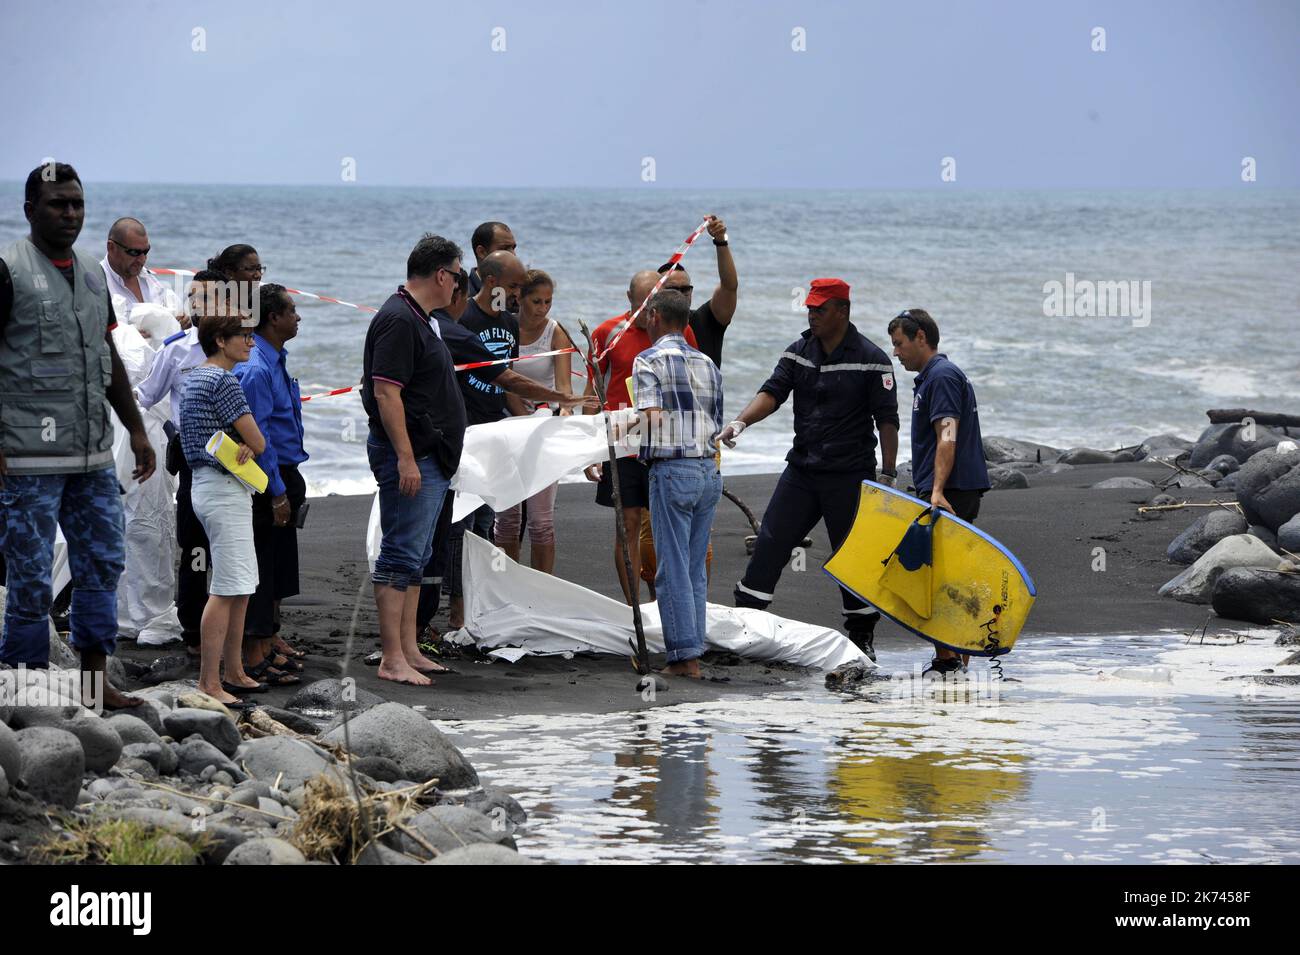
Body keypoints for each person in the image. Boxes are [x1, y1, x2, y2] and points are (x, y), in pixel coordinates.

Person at [0, 162, 155, 710]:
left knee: (102, 564)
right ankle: (22, 691)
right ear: (30, 211)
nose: (69, 213)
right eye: (57, 204)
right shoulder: (7, 270)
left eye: (77, 204)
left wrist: (136, 429)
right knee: (30, 576)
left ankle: (94, 688)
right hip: (25, 459)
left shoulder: (92, 272)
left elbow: (107, 355)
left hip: (91, 456)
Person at [720, 278, 899, 660]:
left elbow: (887, 419)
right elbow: (772, 393)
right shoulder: (798, 352)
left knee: (851, 558)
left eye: (820, 309)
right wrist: (740, 422)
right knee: (771, 541)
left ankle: (861, 636)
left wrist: (887, 474)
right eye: (810, 308)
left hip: (851, 475)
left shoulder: (873, 359)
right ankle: (746, 623)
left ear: (842, 311)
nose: (812, 315)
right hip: (802, 470)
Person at [361, 234, 464, 687]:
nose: (459, 288)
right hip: (412, 455)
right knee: (399, 555)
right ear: (441, 275)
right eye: (458, 278)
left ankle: (407, 648)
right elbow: (386, 392)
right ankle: (391, 657)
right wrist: (405, 457)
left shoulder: (421, 318)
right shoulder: (399, 319)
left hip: (430, 454)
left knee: (418, 556)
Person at [584, 270, 699, 605]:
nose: (650, 308)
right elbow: (593, 390)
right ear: (630, 298)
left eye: (655, 300)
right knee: (628, 525)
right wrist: (591, 449)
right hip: (622, 445)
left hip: (665, 444)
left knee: (668, 526)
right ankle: (634, 609)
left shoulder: (681, 331)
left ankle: (668, 602)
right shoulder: (607, 332)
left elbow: (692, 384)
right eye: (644, 301)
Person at [887, 308, 991, 677]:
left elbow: (948, 434)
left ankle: (951, 660)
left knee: (939, 577)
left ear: (920, 338)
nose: (896, 353)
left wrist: (937, 490)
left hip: (951, 489)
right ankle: (953, 658)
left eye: (899, 344)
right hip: (945, 487)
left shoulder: (942, 376)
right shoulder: (933, 377)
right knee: (942, 574)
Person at [136, 268, 229, 654]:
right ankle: (193, 627)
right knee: (194, 549)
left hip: (238, 464)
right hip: (194, 462)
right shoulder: (175, 349)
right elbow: (145, 395)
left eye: (205, 298)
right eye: (192, 299)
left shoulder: (242, 344)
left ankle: (240, 631)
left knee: (235, 549)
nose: (196, 306)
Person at [632, 290, 724, 678]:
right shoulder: (707, 362)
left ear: (653, 316)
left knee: (670, 568)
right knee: (693, 567)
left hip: (673, 469)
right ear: (685, 321)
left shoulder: (647, 360)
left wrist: (618, 425)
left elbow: (651, 418)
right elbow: (716, 423)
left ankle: (683, 657)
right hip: (708, 469)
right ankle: (692, 649)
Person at [179, 311, 267, 707]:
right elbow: (258, 441)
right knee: (227, 586)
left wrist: (243, 442)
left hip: (205, 482)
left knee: (241, 582)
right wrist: (247, 443)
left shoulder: (195, 376)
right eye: (243, 337)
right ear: (220, 340)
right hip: (223, 486)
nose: (250, 343)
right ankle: (209, 682)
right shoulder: (224, 380)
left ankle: (233, 671)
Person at [233, 283, 309, 685]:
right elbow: (257, 438)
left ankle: (267, 640)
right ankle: (253, 653)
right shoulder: (257, 367)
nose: (298, 317)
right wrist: (276, 490)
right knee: (261, 566)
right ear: (273, 318)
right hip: (267, 478)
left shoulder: (274, 359)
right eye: (292, 311)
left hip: (286, 473)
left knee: (278, 567)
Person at [493, 269, 577, 573]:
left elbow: (564, 388)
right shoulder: (506, 327)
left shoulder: (556, 332)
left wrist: (565, 412)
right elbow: (504, 381)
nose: (542, 309)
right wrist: (523, 419)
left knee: (542, 520)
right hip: (509, 427)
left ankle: (540, 592)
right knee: (507, 519)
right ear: (519, 299)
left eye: (548, 302)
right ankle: (506, 587)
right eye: (536, 302)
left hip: (543, 428)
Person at [658, 214, 737, 367]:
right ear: (656, 293)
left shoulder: (705, 321)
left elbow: (729, 286)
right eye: (672, 289)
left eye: (685, 289)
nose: (680, 294)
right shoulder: (646, 326)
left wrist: (721, 242)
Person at [100, 216, 186, 328]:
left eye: (146, 251)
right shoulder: (97, 284)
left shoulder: (149, 279)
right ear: (111, 248)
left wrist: (181, 323)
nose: (142, 259)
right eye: (134, 252)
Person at [467, 221, 516, 296]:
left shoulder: (517, 294)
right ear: (481, 252)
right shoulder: (463, 297)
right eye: (504, 249)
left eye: (513, 248)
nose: (513, 255)